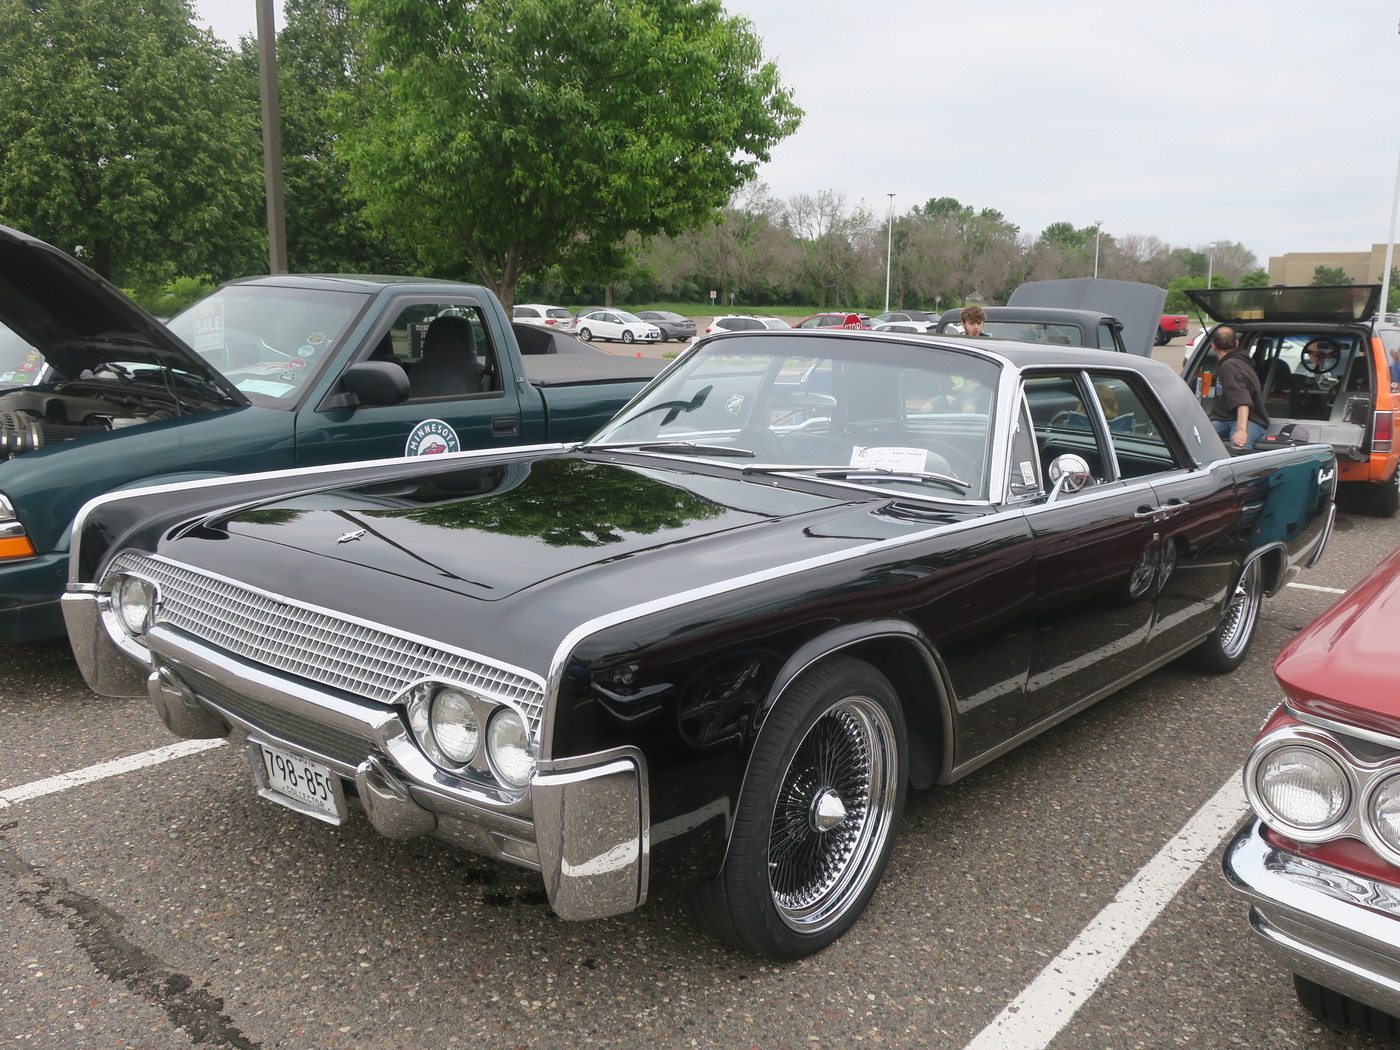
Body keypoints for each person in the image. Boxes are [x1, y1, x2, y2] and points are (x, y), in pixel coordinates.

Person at [1207, 326, 1268, 449]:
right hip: (1223, 419)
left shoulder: (1230, 366)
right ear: (1236, 343)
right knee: (1199, 438)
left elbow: (1242, 400)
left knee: (1239, 445)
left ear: (1213, 346)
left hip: (1251, 419)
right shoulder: (1238, 362)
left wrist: (1241, 430)